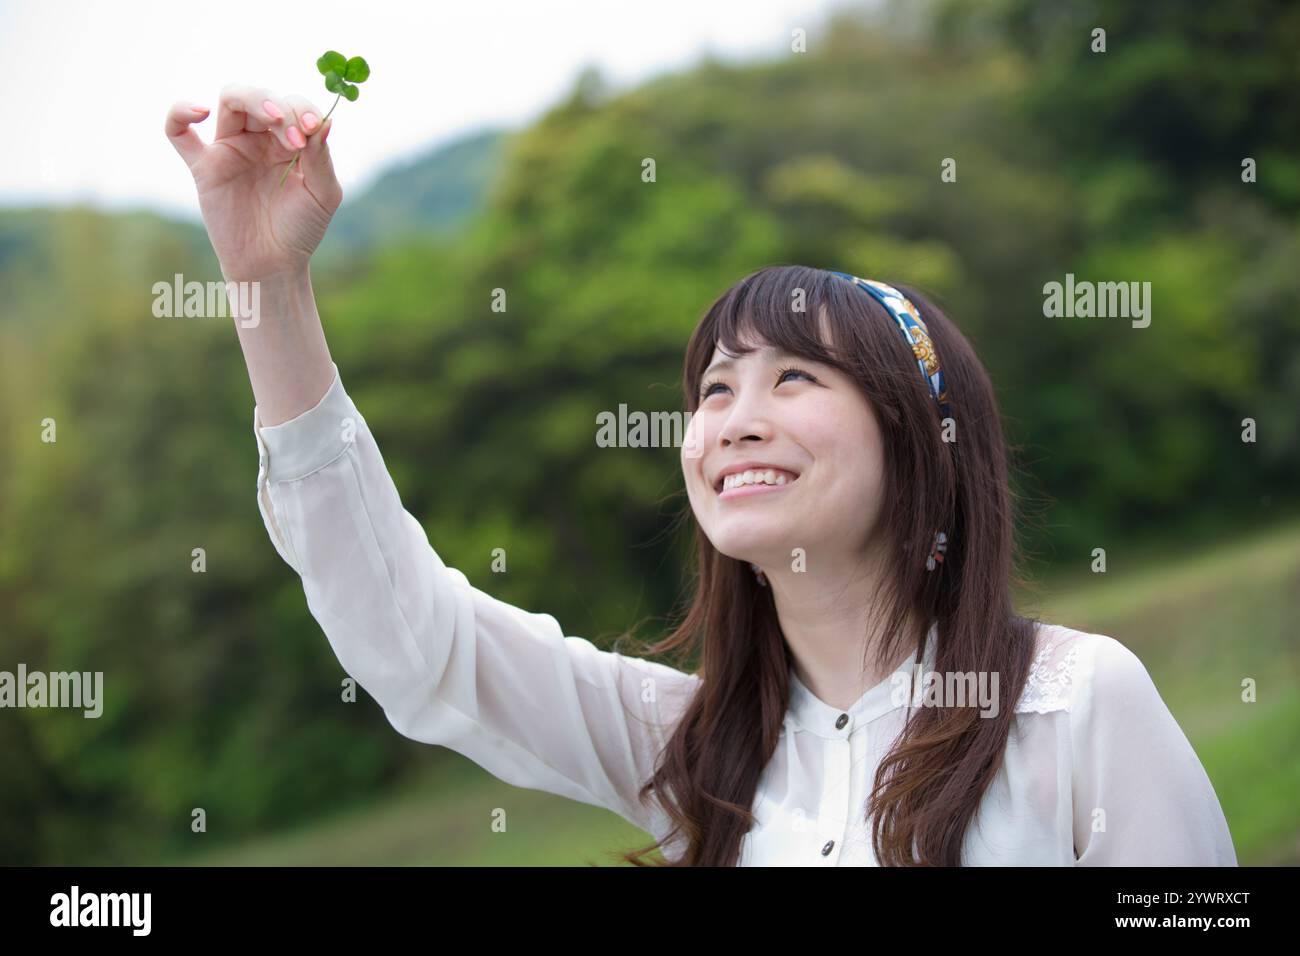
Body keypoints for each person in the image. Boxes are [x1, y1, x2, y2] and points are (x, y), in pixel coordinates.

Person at [165, 83, 1239, 867]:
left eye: (795, 376)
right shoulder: (692, 747)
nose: (735, 419)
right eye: (714, 390)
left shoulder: (1073, 705)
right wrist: (268, 285)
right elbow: (418, 646)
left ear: (919, 436)